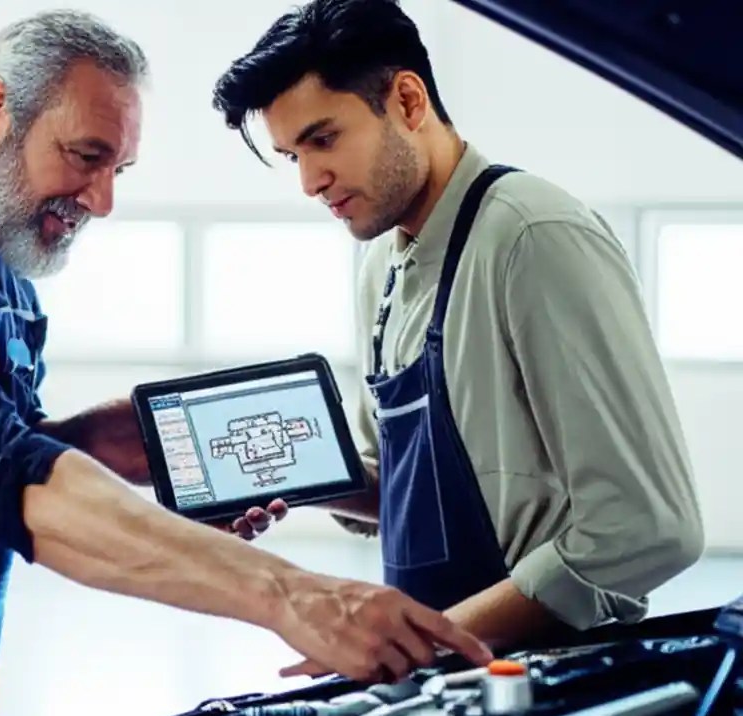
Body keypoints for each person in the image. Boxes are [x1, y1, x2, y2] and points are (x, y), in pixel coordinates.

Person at [0, 9, 492, 716]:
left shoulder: (5, 267)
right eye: (86, 156)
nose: (103, 200)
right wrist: (296, 595)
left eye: (121, 169)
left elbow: (6, 446)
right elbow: (3, 475)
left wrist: (145, 470)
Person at [210, 0, 705, 661]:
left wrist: (418, 643)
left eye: (324, 139)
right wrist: (285, 474)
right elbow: (404, 486)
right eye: (290, 153)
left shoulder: (534, 236)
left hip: (548, 678)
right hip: (448, 674)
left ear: (408, 102)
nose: (309, 181)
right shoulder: (381, 260)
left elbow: (646, 528)